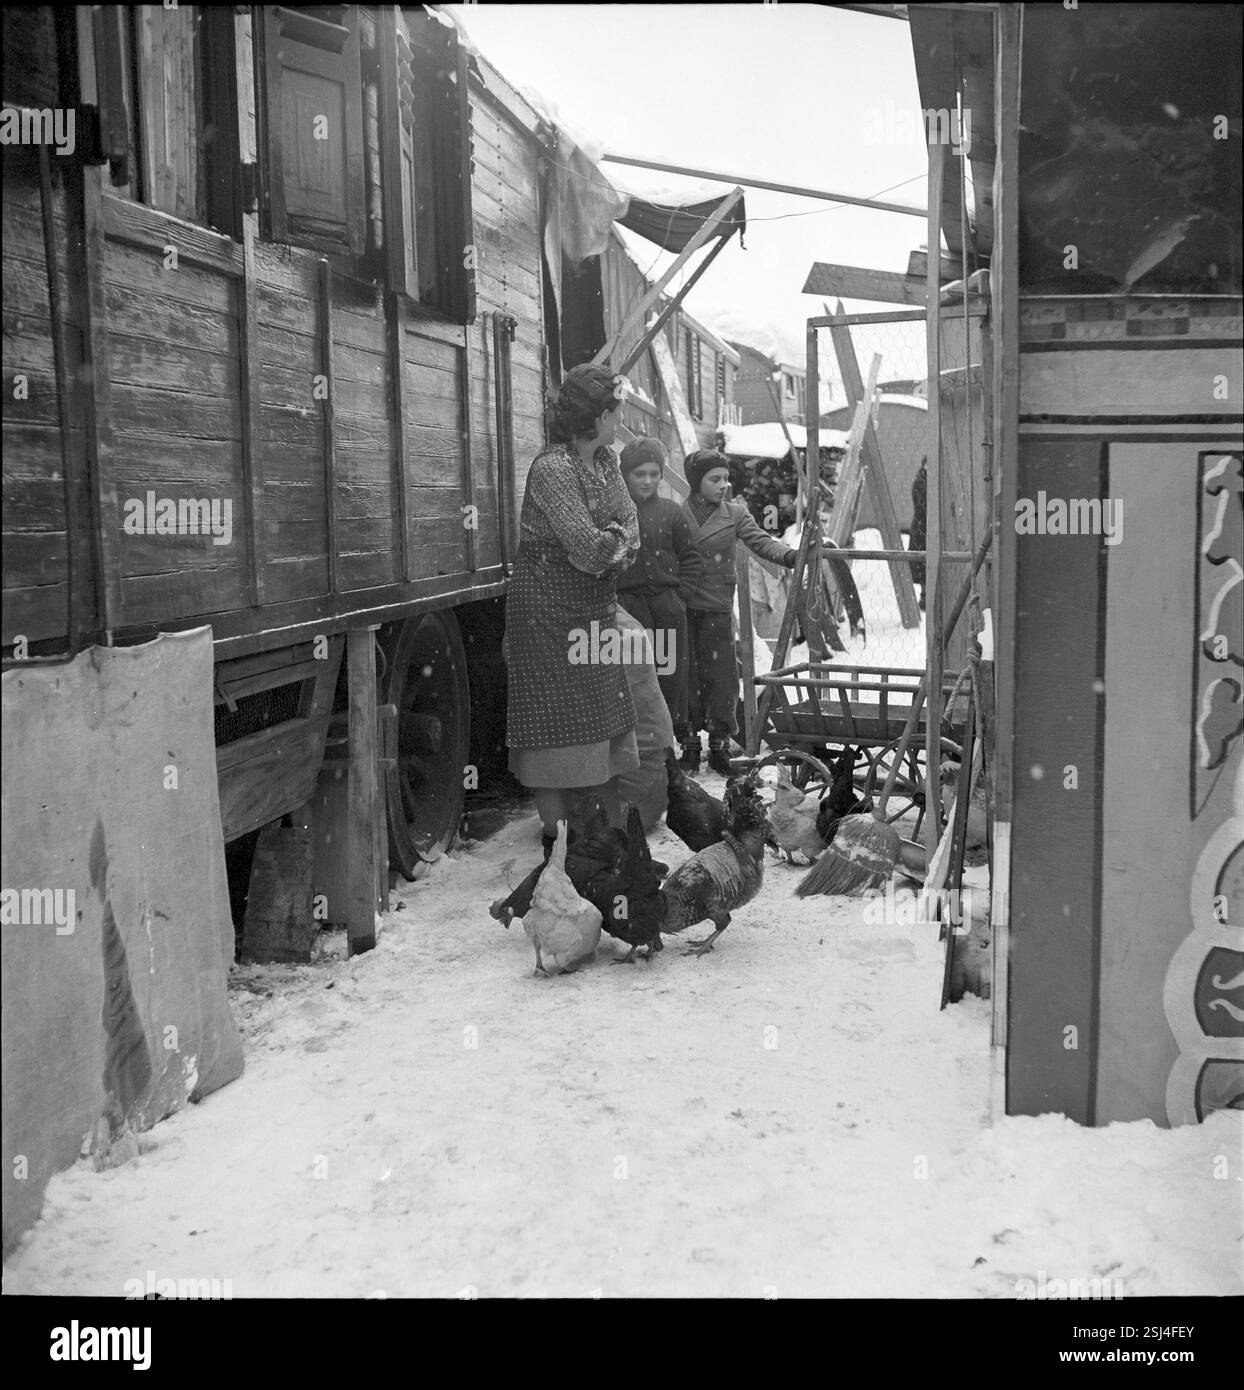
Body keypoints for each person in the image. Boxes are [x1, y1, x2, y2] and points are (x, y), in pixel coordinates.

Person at [503, 364, 640, 845]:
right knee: (552, 720)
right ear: (599, 415)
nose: (620, 422)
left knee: (599, 711)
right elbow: (586, 547)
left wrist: (606, 549)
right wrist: (606, 549)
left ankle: (593, 839)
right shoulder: (553, 468)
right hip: (545, 611)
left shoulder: (605, 462)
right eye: (617, 412)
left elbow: (629, 534)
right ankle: (556, 841)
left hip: (593, 605)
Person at [680, 449, 798, 775]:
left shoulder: (735, 514)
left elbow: (761, 542)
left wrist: (790, 556)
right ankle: (689, 746)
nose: (723, 485)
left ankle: (719, 747)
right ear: (696, 482)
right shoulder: (677, 515)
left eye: (726, 478)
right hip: (683, 607)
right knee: (685, 678)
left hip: (716, 608)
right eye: (714, 479)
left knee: (722, 680)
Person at [615, 437, 702, 739]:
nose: (648, 481)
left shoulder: (671, 512)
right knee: (633, 674)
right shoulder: (614, 513)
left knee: (669, 675)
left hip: (667, 606)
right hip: (628, 608)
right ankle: (635, 742)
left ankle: (667, 745)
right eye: (640, 474)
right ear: (625, 475)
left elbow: (691, 558)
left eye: (654, 474)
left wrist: (680, 596)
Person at [910, 456, 928, 611]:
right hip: (923, 529)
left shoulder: (922, 480)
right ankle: (924, 596)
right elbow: (925, 507)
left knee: (923, 563)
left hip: (923, 527)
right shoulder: (922, 482)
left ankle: (925, 596)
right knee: (923, 563)